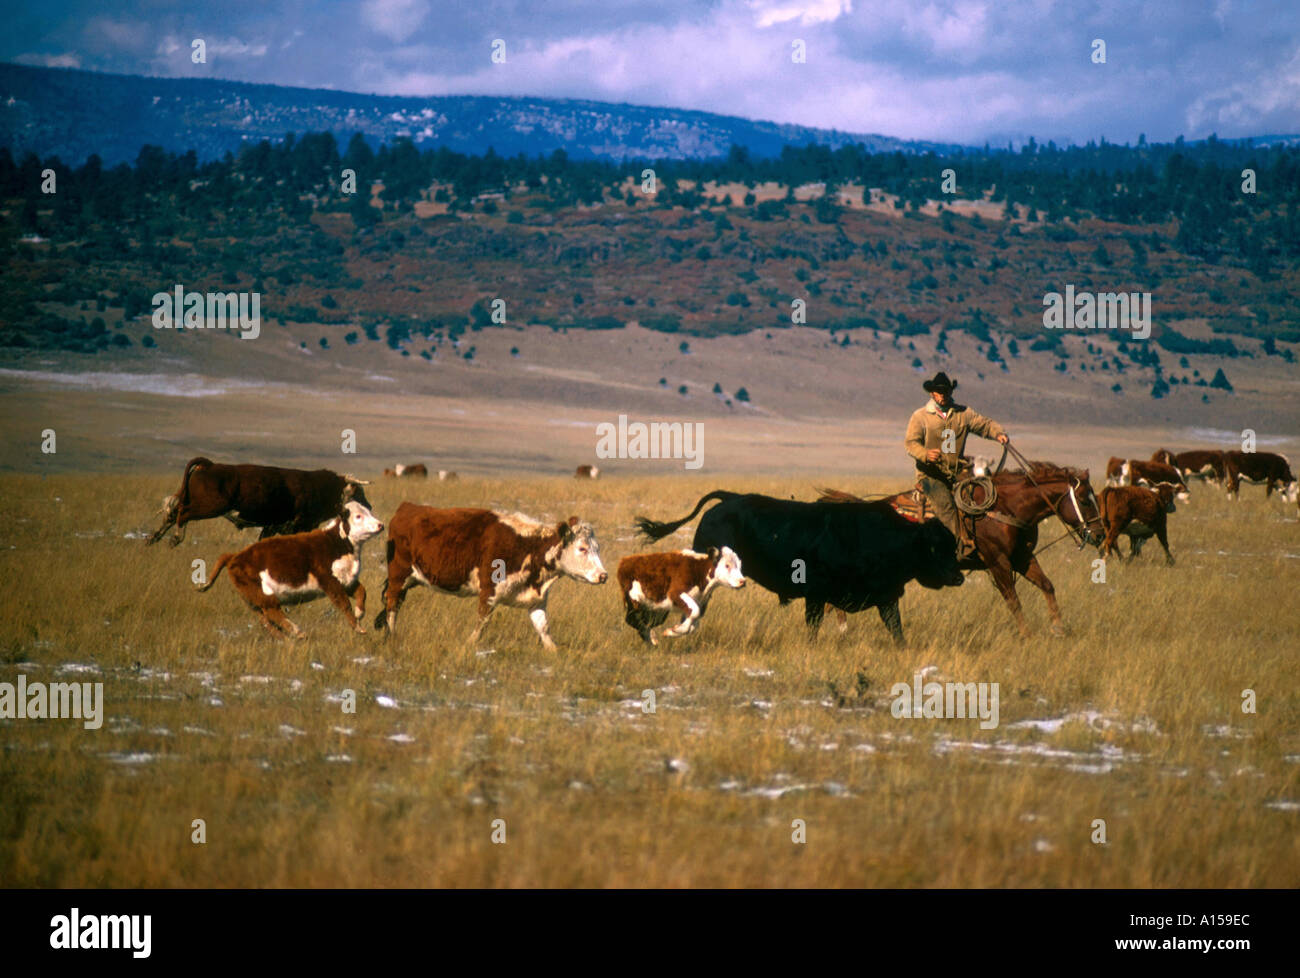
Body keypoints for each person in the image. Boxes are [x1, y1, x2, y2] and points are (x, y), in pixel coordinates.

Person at [904, 372, 1009, 559]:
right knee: (945, 505)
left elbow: (983, 424)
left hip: (958, 472)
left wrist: (998, 433)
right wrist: (925, 454)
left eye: (945, 391)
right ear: (932, 394)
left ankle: (990, 539)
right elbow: (911, 443)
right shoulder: (920, 417)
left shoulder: (963, 413)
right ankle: (959, 547)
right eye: (938, 391)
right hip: (930, 475)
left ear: (950, 391)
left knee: (983, 494)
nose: (942, 394)